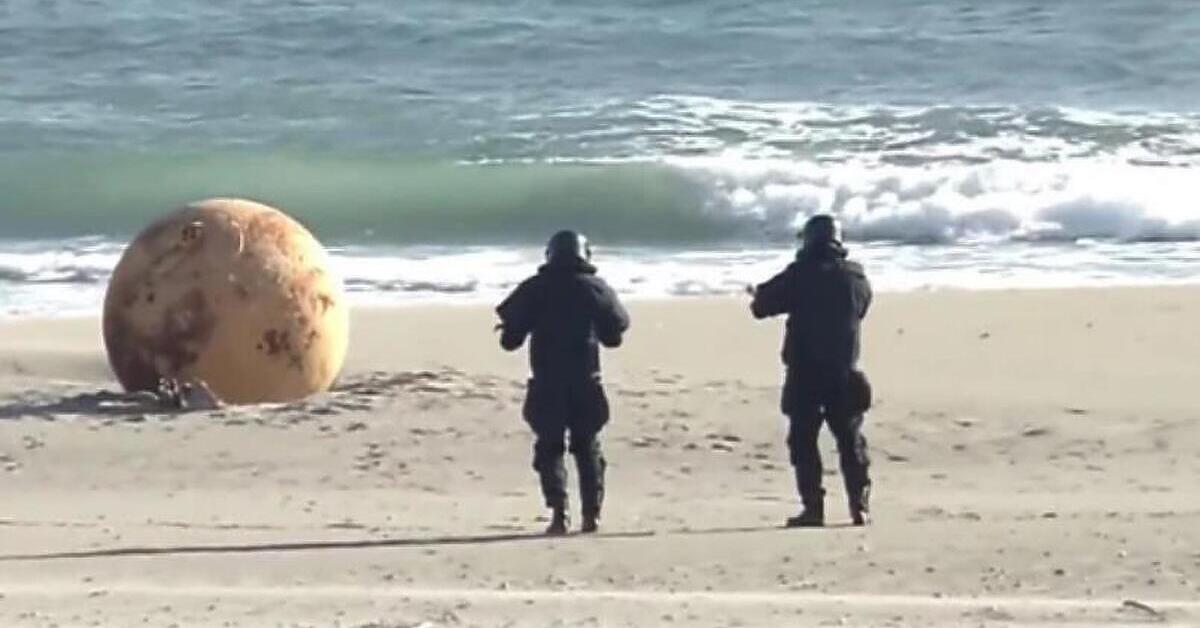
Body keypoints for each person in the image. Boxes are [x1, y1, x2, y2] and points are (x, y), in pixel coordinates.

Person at [496, 230, 630, 535]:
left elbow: (509, 342)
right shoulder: (596, 289)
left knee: (549, 448)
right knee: (588, 448)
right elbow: (614, 337)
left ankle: (559, 513)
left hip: (546, 383)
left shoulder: (534, 289)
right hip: (586, 381)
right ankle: (591, 515)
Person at [750, 214, 873, 527]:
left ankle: (813, 508)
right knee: (850, 441)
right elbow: (861, 307)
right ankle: (859, 506)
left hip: (805, 374)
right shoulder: (856, 277)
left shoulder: (800, 274)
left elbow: (762, 306)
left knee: (803, 442)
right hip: (844, 372)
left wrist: (758, 292)